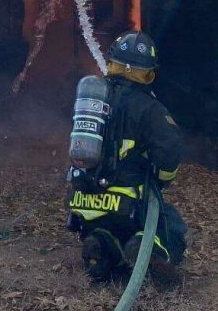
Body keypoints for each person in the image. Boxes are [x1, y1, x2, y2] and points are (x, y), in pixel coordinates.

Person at [66, 31, 189, 281]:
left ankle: (102, 246)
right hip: (127, 204)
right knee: (172, 227)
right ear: (146, 73)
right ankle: (148, 250)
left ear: (112, 64)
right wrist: (162, 179)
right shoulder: (149, 107)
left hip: (84, 203)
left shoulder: (94, 99)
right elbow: (170, 148)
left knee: (106, 231)